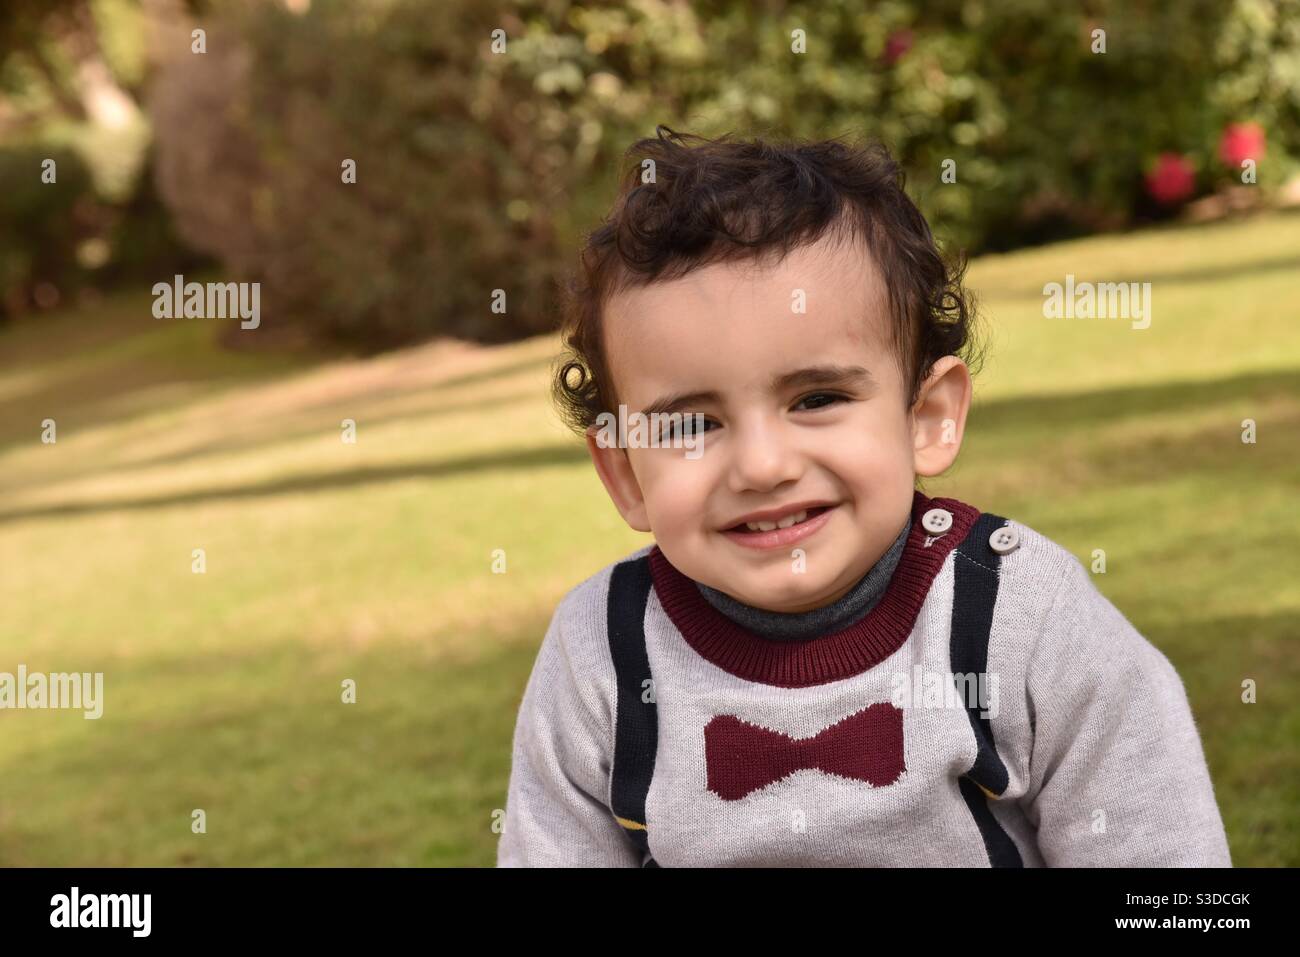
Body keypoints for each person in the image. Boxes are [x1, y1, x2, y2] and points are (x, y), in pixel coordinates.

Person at [495, 127, 1231, 867]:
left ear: (926, 417)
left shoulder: (1020, 617)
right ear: (625, 473)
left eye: (816, 397)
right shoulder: (604, 653)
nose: (762, 465)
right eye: (692, 423)